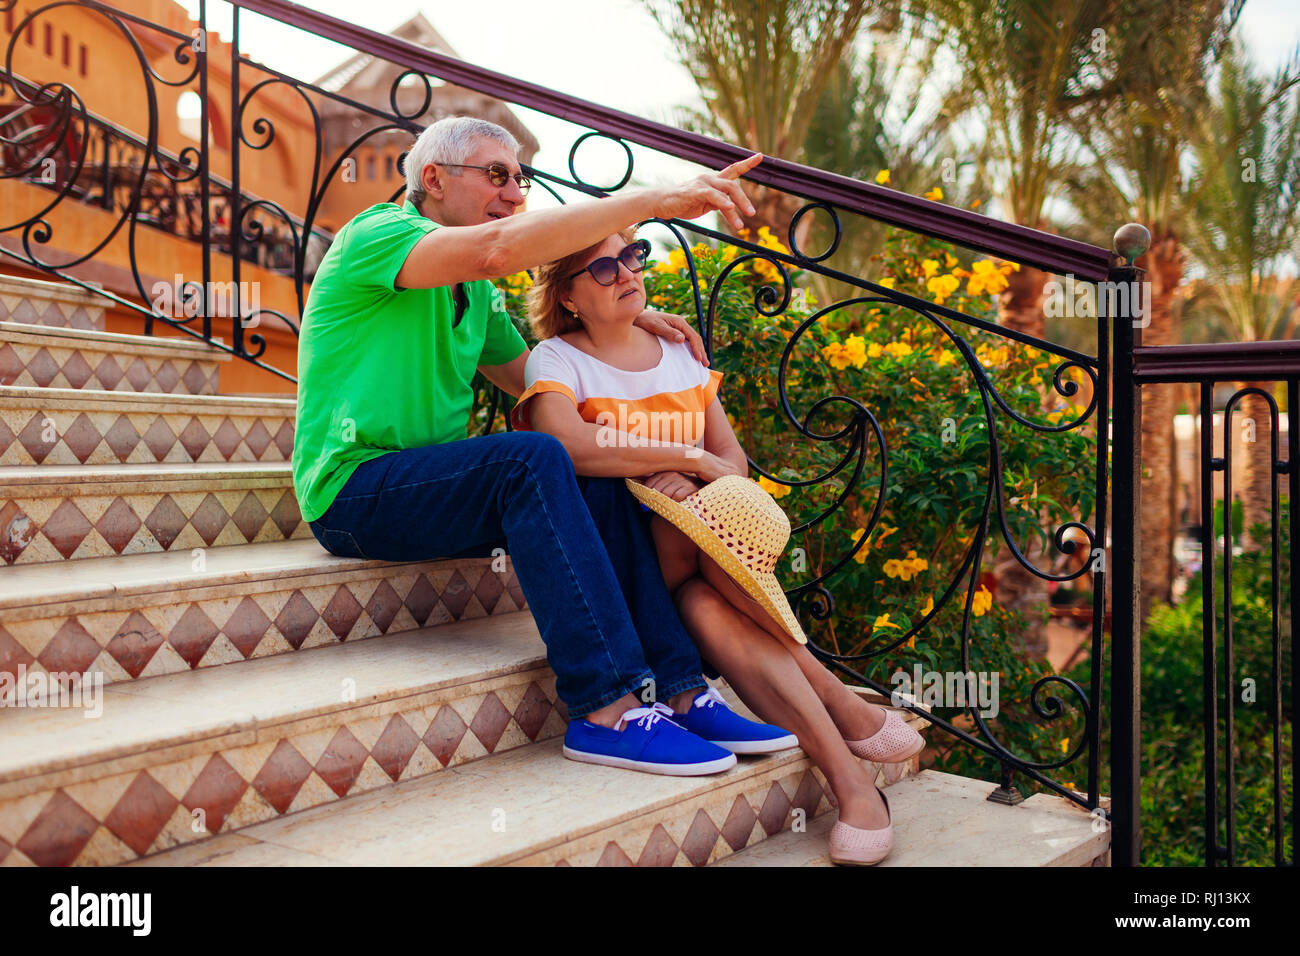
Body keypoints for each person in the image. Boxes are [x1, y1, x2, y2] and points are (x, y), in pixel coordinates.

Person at [292, 115, 791, 778]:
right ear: (433, 178)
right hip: (354, 493)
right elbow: (499, 246)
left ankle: (678, 689)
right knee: (530, 457)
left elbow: (540, 377)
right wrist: (653, 200)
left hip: (431, 495)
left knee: (592, 469)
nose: (514, 192)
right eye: (496, 174)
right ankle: (605, 710)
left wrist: (618, 314)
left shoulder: (474, 292)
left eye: (520, 178)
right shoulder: (377, 236)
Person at [513, 229, 927, 865]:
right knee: (690, 566)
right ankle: (839, 699)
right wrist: (687, 457)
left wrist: (703, 471)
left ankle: (852, 786)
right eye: (602, 268)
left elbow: (735, 463)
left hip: (694, 567)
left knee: (707, 604)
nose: (626, 271)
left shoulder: (678, 352)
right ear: (567, 297)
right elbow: (565, 445)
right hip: (621, 568)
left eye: (633, 255)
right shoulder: (557, 359)